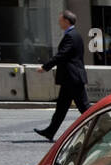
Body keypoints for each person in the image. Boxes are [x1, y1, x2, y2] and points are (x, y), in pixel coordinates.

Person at [34, 11, 90, 142]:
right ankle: (50, 131)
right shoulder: (73, 35)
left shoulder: (71, 36)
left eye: (60, 20)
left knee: (85, 108)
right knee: (61, 107)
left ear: (66, 21)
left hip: (73, 78)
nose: (59, 22)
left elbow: (62, 55)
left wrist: (45, 67)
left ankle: (105, 129)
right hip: (69, 78)